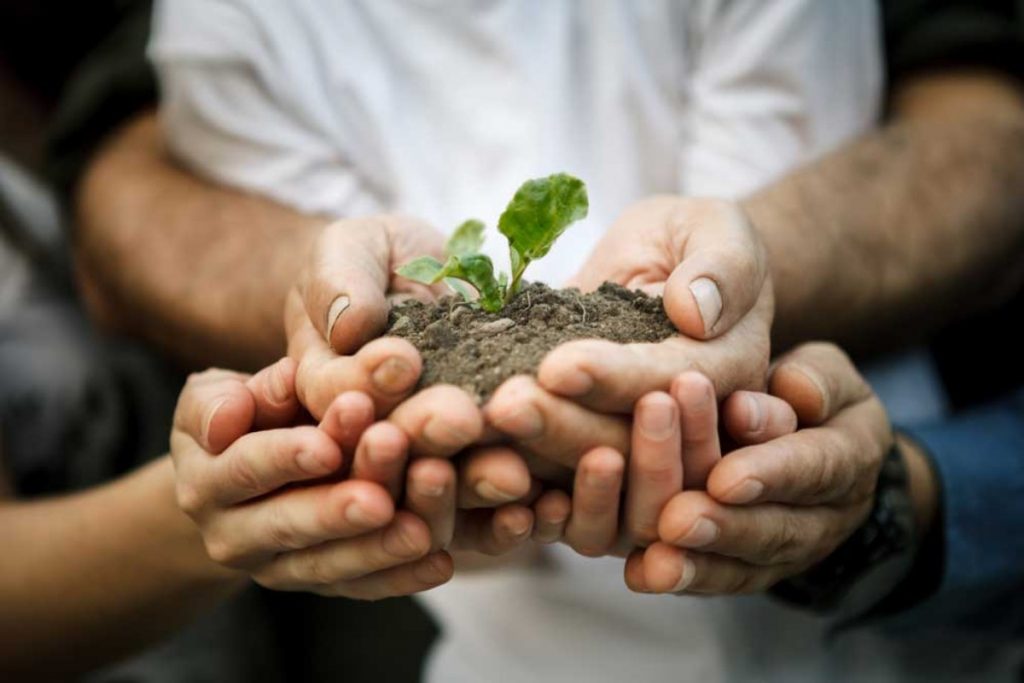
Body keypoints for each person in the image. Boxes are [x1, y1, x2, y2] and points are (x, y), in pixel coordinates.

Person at [64, 0, 1024, 681]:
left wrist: (736, 277)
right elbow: (122, 178)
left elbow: (980, 125)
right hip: (527, 650)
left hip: (914, 614)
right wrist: (344, 324)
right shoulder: (224, 28)